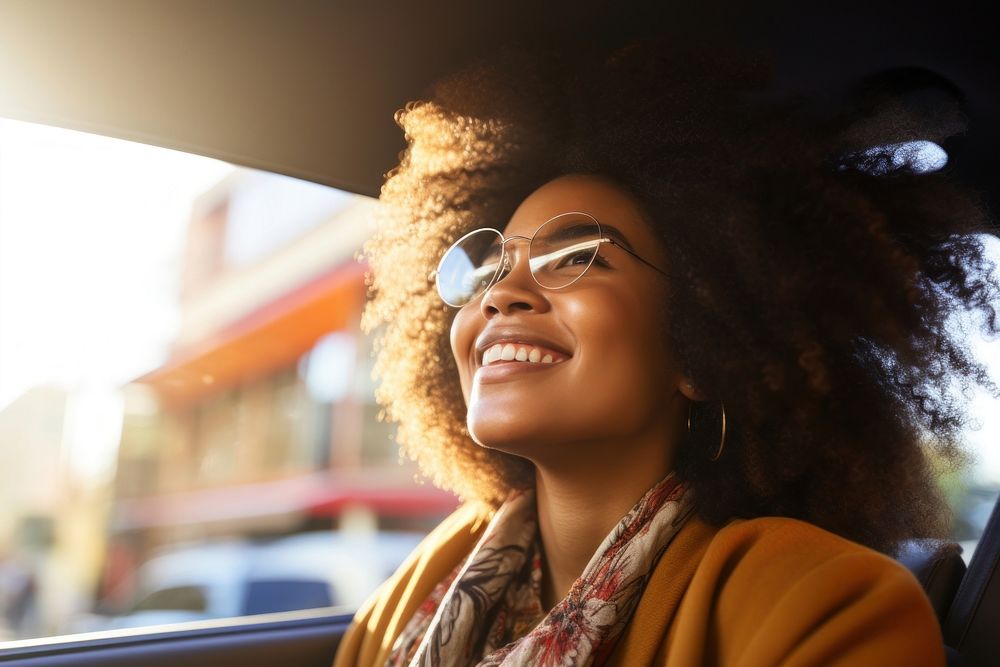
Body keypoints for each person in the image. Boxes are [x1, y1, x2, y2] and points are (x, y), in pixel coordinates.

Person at [333, 40, 999, 666]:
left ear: (700, 349)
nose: (501, 292)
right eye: (488, 265)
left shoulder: (827, 606)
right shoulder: (410, 593)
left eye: (580, 256)